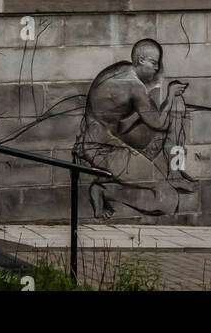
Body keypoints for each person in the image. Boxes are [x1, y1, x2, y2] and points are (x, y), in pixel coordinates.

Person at [74, 39, 193, 217]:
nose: (156, 68)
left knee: (156, 137)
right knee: (168, 200)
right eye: (153, 63)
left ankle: (169, 175)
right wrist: (170, 95)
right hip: (103, 149)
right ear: (140, 60)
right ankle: (104, 191)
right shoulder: (134, 86)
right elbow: (158, 122)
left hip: (98, 140)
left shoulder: (120, 69)